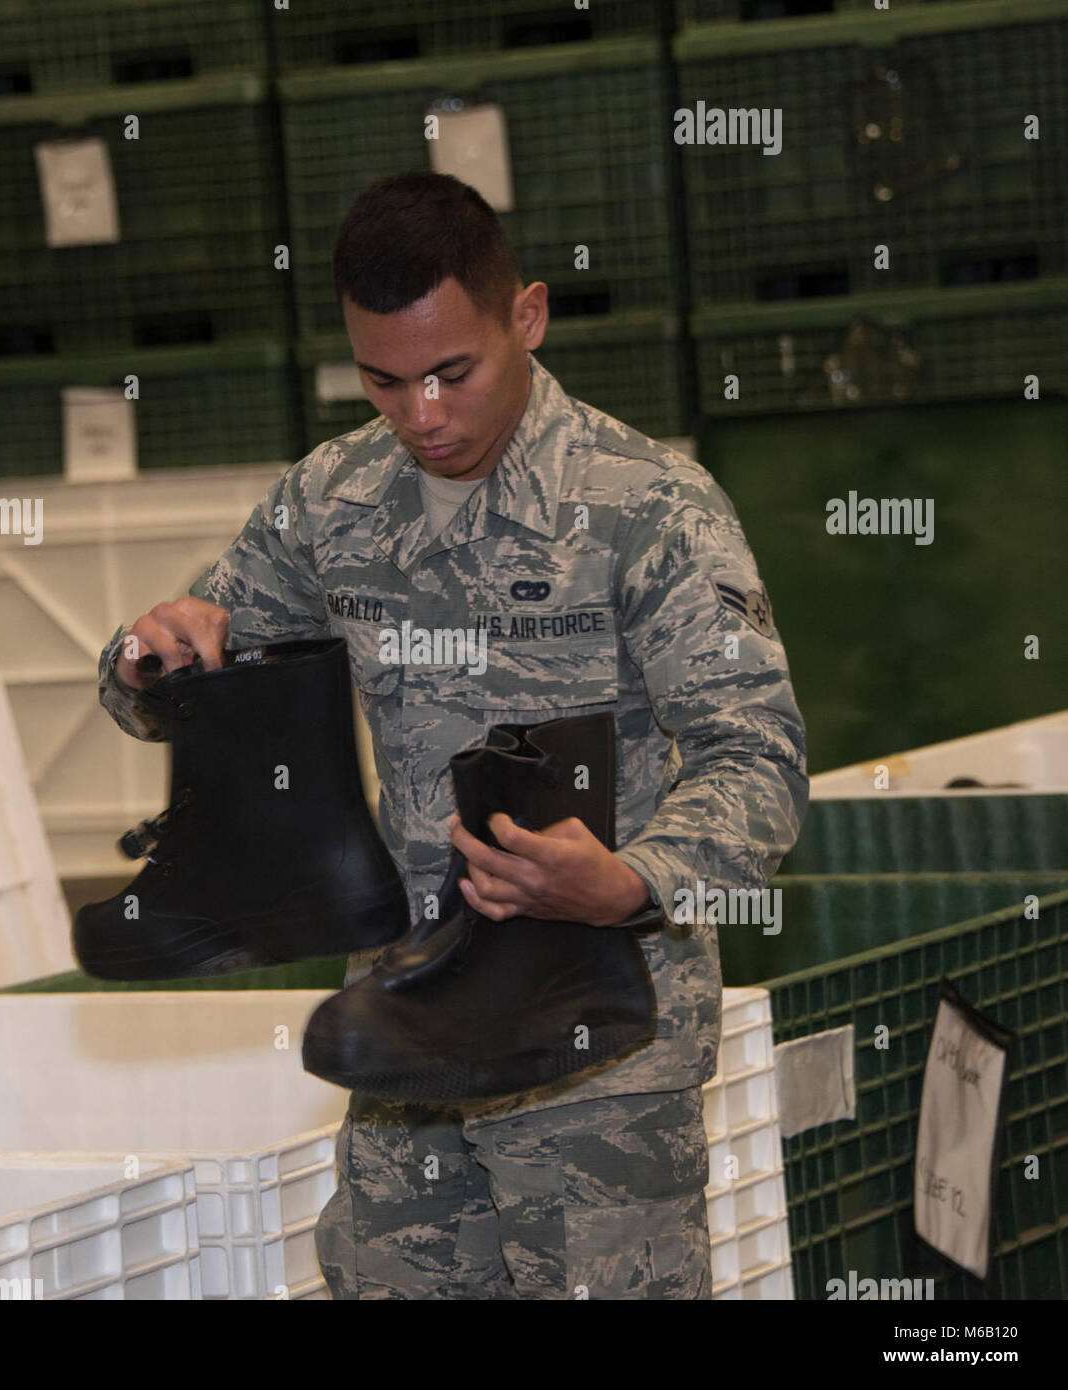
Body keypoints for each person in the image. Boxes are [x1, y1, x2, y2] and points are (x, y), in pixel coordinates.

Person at [97, 171, 808, 1299]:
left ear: (525, 316)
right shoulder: (330, 501)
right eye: (383, 379)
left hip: (599, 1038)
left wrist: (631, 881)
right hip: (412, 1027)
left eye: (450, 372)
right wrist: (156, 657)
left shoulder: (647, 508)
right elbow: (170, 669)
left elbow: (755, 756)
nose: (421, 414)